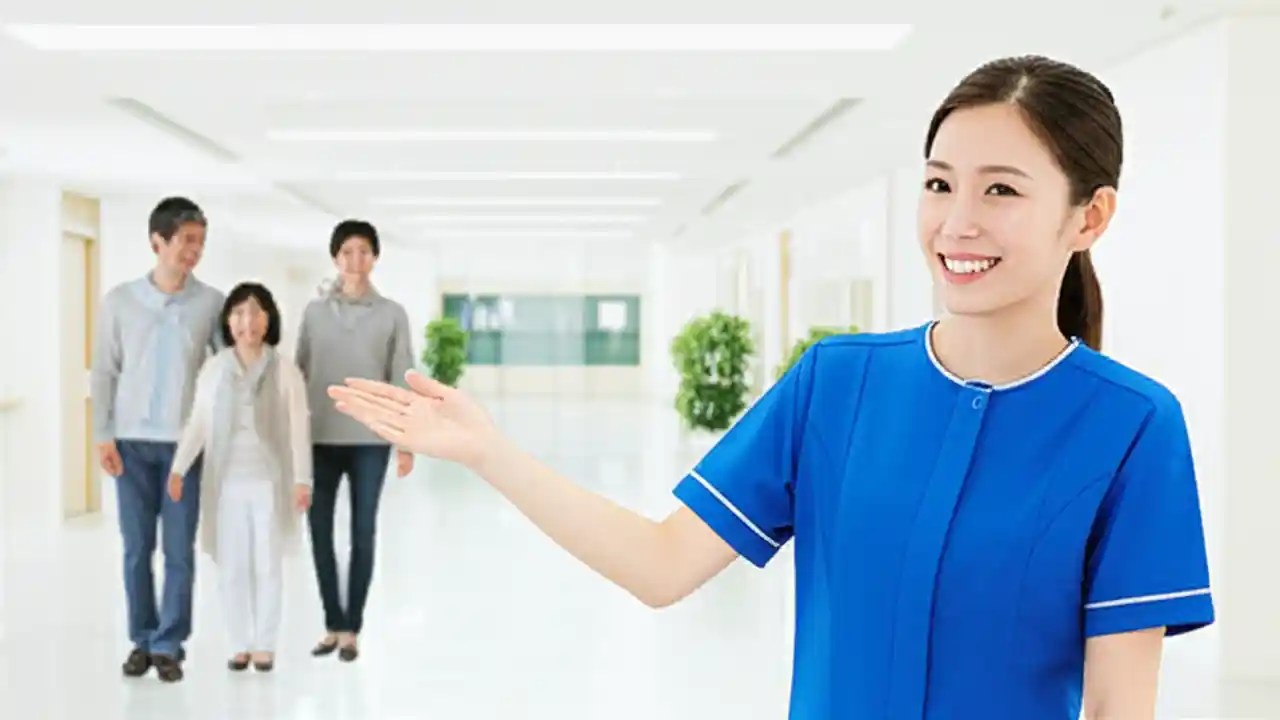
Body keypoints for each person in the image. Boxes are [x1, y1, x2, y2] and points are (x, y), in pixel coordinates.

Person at [328, 55, 1215, 719]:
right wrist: (489, 450)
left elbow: (1117, 710)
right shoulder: (837, 384)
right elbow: (661, 563)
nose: (957, 222)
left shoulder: (1132, 428)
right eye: (939, 184)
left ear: (1088, 216)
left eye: (1002, 191)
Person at [90, 196, 225, 682]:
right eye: (187, 240)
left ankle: (169, 643)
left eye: (200, 243)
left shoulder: (210, 303)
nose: (195, 251)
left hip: (184, 448)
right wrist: (102, 434)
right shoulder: (120, 301)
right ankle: (141, 639)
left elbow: (226, 369)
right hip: (129, 444)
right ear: (157, 241)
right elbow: (104, 371)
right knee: (135, 548)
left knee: (179, 551)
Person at [167, 282, 313, 673]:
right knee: (232, 564)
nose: (247, 322)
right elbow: (198, 423)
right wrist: (180, 467)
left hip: (269, 482)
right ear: (228, 320)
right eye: (239, 313)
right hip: (226, 482)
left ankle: (265, 644)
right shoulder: (215, 369)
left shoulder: (284, 370)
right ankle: (238, 643)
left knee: (267, 564)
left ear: (269, 320)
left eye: (256, 313)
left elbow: (299, 426)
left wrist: (303, 480)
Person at [295, 219, 416, 662]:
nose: (355, 260)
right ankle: (333, 623)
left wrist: (405, 441)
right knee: (320, 533)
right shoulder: (313, 312)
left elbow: (402, 378)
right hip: (319, 438)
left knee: (363, 532)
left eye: (364, 251)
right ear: (335, 258)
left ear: (375, 257)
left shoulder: (392, 314)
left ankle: (353, 630)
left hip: (371, 439)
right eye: (347, 251)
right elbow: (299, 375)